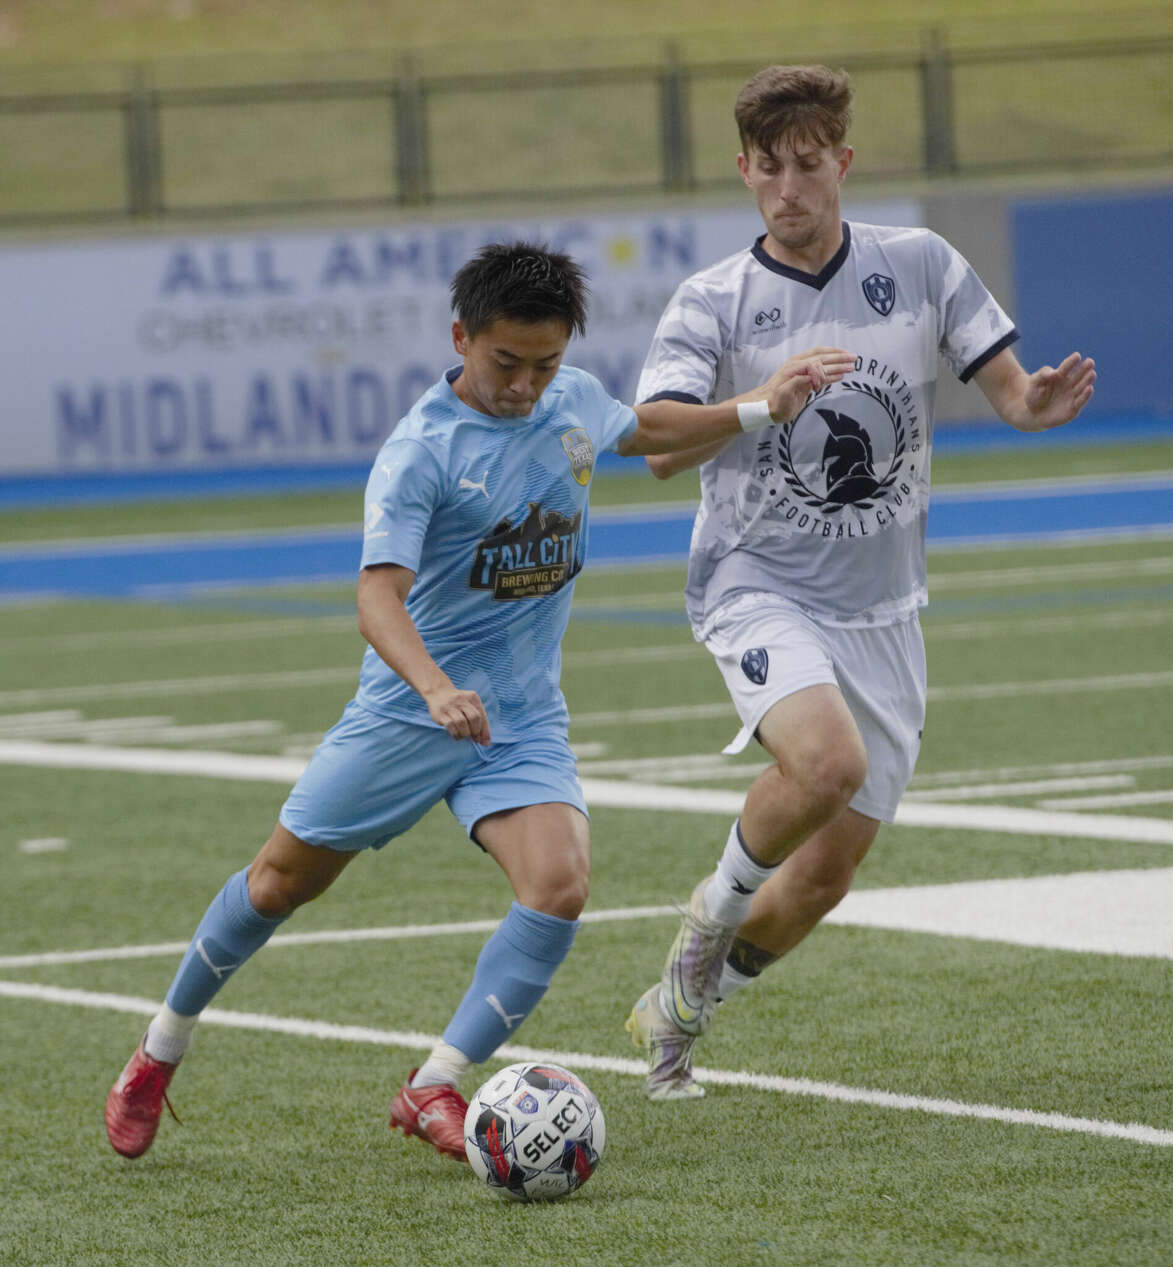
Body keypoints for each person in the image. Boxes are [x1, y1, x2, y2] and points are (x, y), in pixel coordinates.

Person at [104, 241, 850, 1162]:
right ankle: (158, 1050)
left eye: (545, 364)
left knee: (560, 885)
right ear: (461, 337)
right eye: (507, 364)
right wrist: (435, 687)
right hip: (411, 712)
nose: (527, 385)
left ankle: (430, 1087)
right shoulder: (421, 451)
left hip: (521, 717)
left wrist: (754, 408)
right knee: (278, 883)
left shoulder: (569, 399)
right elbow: (377, 596)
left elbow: (644, 430)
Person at [625, 65, 1097, 1099]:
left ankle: (682, 1005)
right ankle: (708, 917)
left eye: (809, 164)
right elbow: (652, 440)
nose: (790, 187)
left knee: (822, 881)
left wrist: (1036, 407)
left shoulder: (921, 264)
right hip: (758, 585)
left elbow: (1010, 390)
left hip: (885, 612)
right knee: (825, 763)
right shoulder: (715, 300)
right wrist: (759, 403)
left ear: (842, 161)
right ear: (744, 171)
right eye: (769, 168)